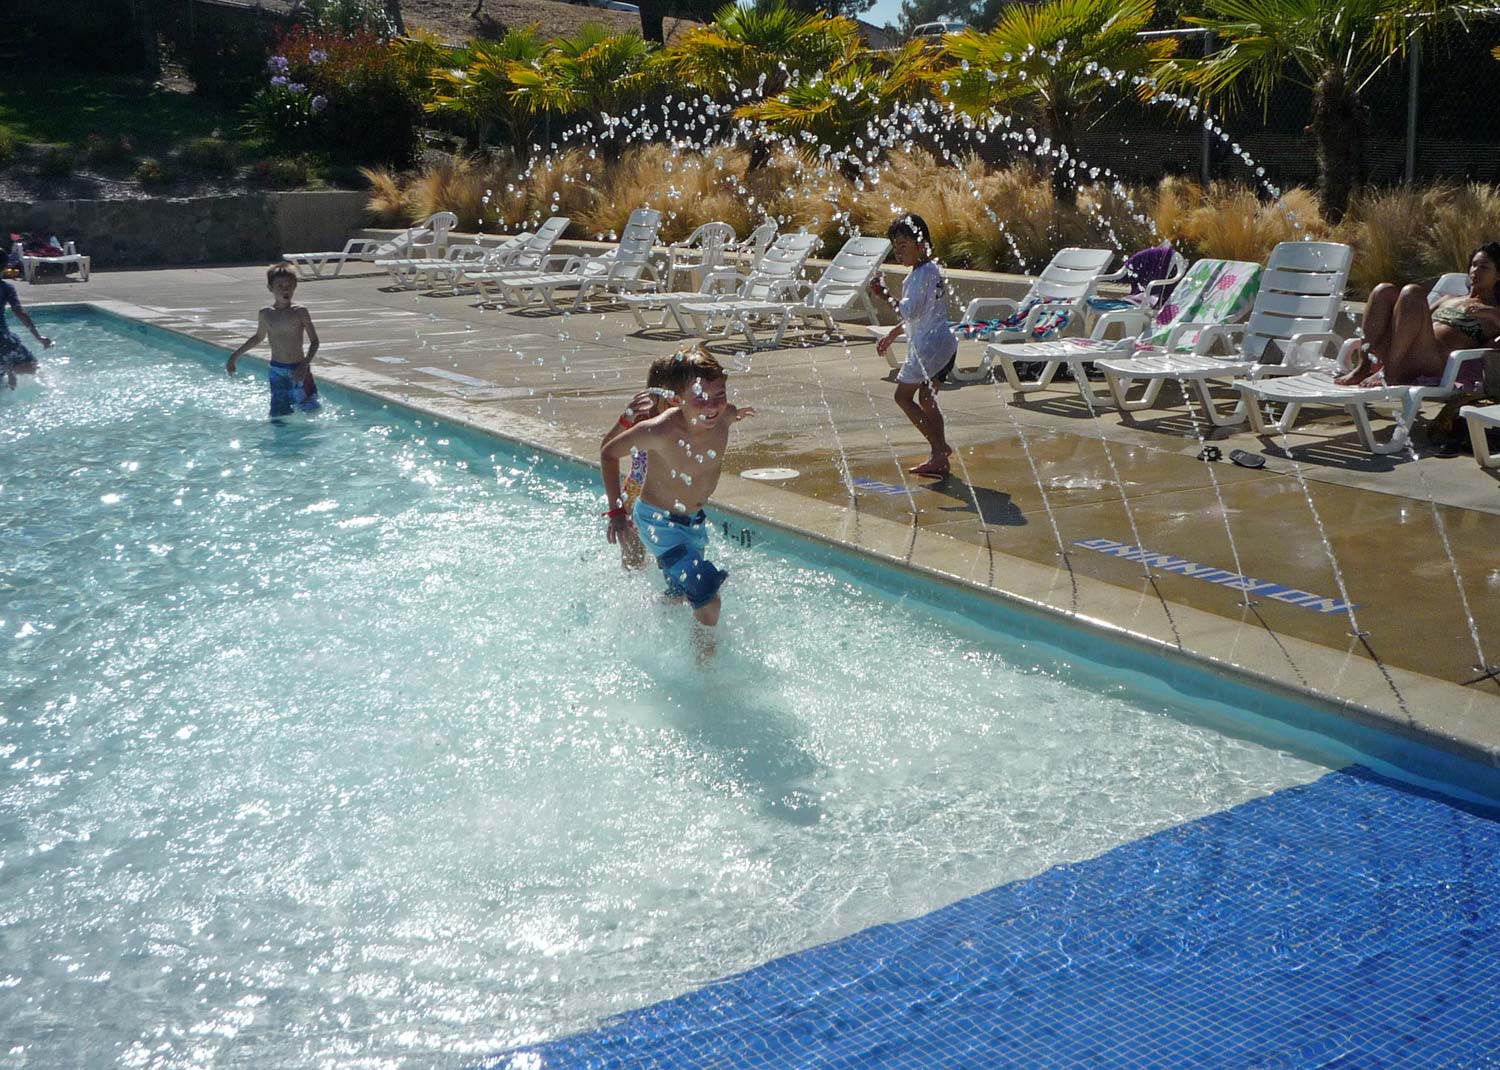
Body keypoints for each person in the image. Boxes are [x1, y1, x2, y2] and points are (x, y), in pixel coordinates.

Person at [600, 345, 755, 650]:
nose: (712, 406)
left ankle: (649, 614)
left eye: (719, 395)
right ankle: (704, 667)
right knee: (708, 598)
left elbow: (729, 411)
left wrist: (738, 414)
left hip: (693, 524)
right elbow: (608, 452)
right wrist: (617, 512)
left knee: (682, 593)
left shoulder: (723, 416)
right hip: (659, 523)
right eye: (701, 397)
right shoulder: (660, 430)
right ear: (677, 399)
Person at [1337, 243, 1500, 387]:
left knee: (1412, 292)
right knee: (1383, 290)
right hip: (1402, 349)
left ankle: (1390, 372)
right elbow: (1413, 317)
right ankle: (1363, 366)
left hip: (1432, 361)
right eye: (1473, 265)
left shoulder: (1494, 310)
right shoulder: (1448, 299)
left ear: (1498, 275)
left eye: (1484, 267)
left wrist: (1490, 313)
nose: (1475, 271)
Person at [872, 214, 957, 477]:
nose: (898, 252)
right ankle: (939, 458)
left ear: (921, 244)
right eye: (895, 247)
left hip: (928, 349)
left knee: (902, 396)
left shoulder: (920, 275)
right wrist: (894, 333)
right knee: (928, 400)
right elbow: (923, 314)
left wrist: (883, 292)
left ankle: (939, 448)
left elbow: (909, 311)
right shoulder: (932, 270)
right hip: (945, 344)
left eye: (904, 246)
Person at [600, 351, 694, 570]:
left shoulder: (684, 420)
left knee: (678, 564)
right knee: (634, 564)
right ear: (655, 395)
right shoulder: (641, 418)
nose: (678, 405)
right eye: (674, 398)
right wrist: (616, 511)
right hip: (635, 500)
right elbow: (607, 449)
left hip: (671, 502)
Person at [225, 262, 322, 417]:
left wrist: (304, 365)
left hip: (298, 368)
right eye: (280, 286)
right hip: (276, 369)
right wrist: (234, 356)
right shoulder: (265, 314)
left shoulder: (300, 312)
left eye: (289, 285)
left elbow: (315, 342)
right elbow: (258, 337)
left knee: (309, 408)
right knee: (278, 412)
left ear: (295, 286)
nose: (286, 289)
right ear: (270, 288)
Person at [1, 276, 54, 390]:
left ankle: (9, 371)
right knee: (35, 367)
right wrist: (38, 336)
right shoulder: (5, 287)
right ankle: (10, 370)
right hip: (4, 341)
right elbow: (19, 312)